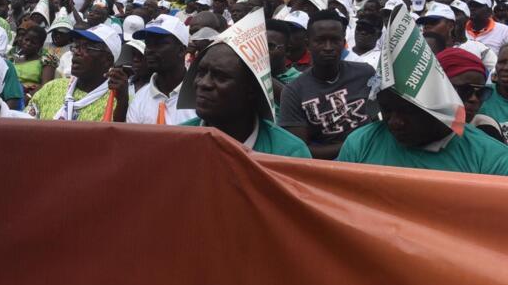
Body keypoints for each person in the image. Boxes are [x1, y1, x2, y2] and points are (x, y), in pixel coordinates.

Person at [339, 21, 508, 175]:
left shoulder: (491, 159)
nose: (394, 122)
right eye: (387, 110)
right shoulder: (360, 143)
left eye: (408, 110)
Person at [178, 11, 312, 158]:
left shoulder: (288, 153)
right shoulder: (177, 140)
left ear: (251, 89)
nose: (203, 83)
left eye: (221, 77)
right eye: (201, 72)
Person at [279, 10, 379, 159]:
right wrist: (356, 145)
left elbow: (376, 119)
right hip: (328, 170)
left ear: (343, 42)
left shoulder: (365, 73)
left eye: (335, 40)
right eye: (320, 41)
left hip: (372, 158)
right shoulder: (294, 91)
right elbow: (300, 152)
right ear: (308, 44)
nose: (328, 47)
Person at [28, 24, 122, 122]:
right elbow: (25, 125)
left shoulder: (116, 103)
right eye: (77, 46)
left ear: (107, 60)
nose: (77, 52)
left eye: (87, 48)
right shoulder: (52, 88)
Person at [124, 15, 196, 125]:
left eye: (159, 44)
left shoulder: (200, 95)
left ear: (181, 50)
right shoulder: (139, 99)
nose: (149, 50)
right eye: (148, 44)